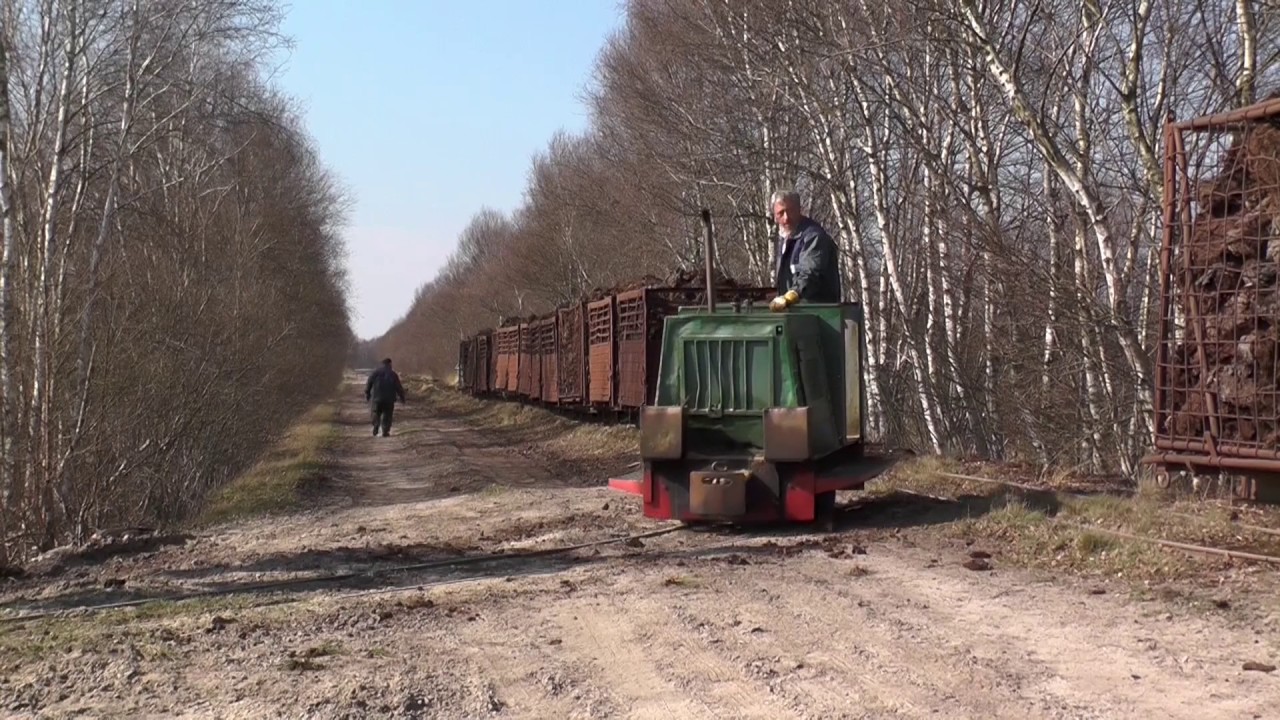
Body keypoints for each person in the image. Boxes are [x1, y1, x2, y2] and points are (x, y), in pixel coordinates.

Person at [768, 190, 842, 311]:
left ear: (799, 210)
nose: (786, 218)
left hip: (818, 314)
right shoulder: (786, 239)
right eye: (781, 213)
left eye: (790, 211)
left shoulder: (813, 237)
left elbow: (810, 275)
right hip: (797, 312)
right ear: (774, 216)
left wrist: (791, 296)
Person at [364, 358, 406, 437]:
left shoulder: (375, 372)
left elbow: (369, 382)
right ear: (390, 364)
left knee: (376, 412)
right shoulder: (393, 374)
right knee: (387, 414)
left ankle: (376, 424)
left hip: (377, 397)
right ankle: (385, 431)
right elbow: (398, 387)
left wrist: (367, 393)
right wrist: (402, 397)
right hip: (389, 399)